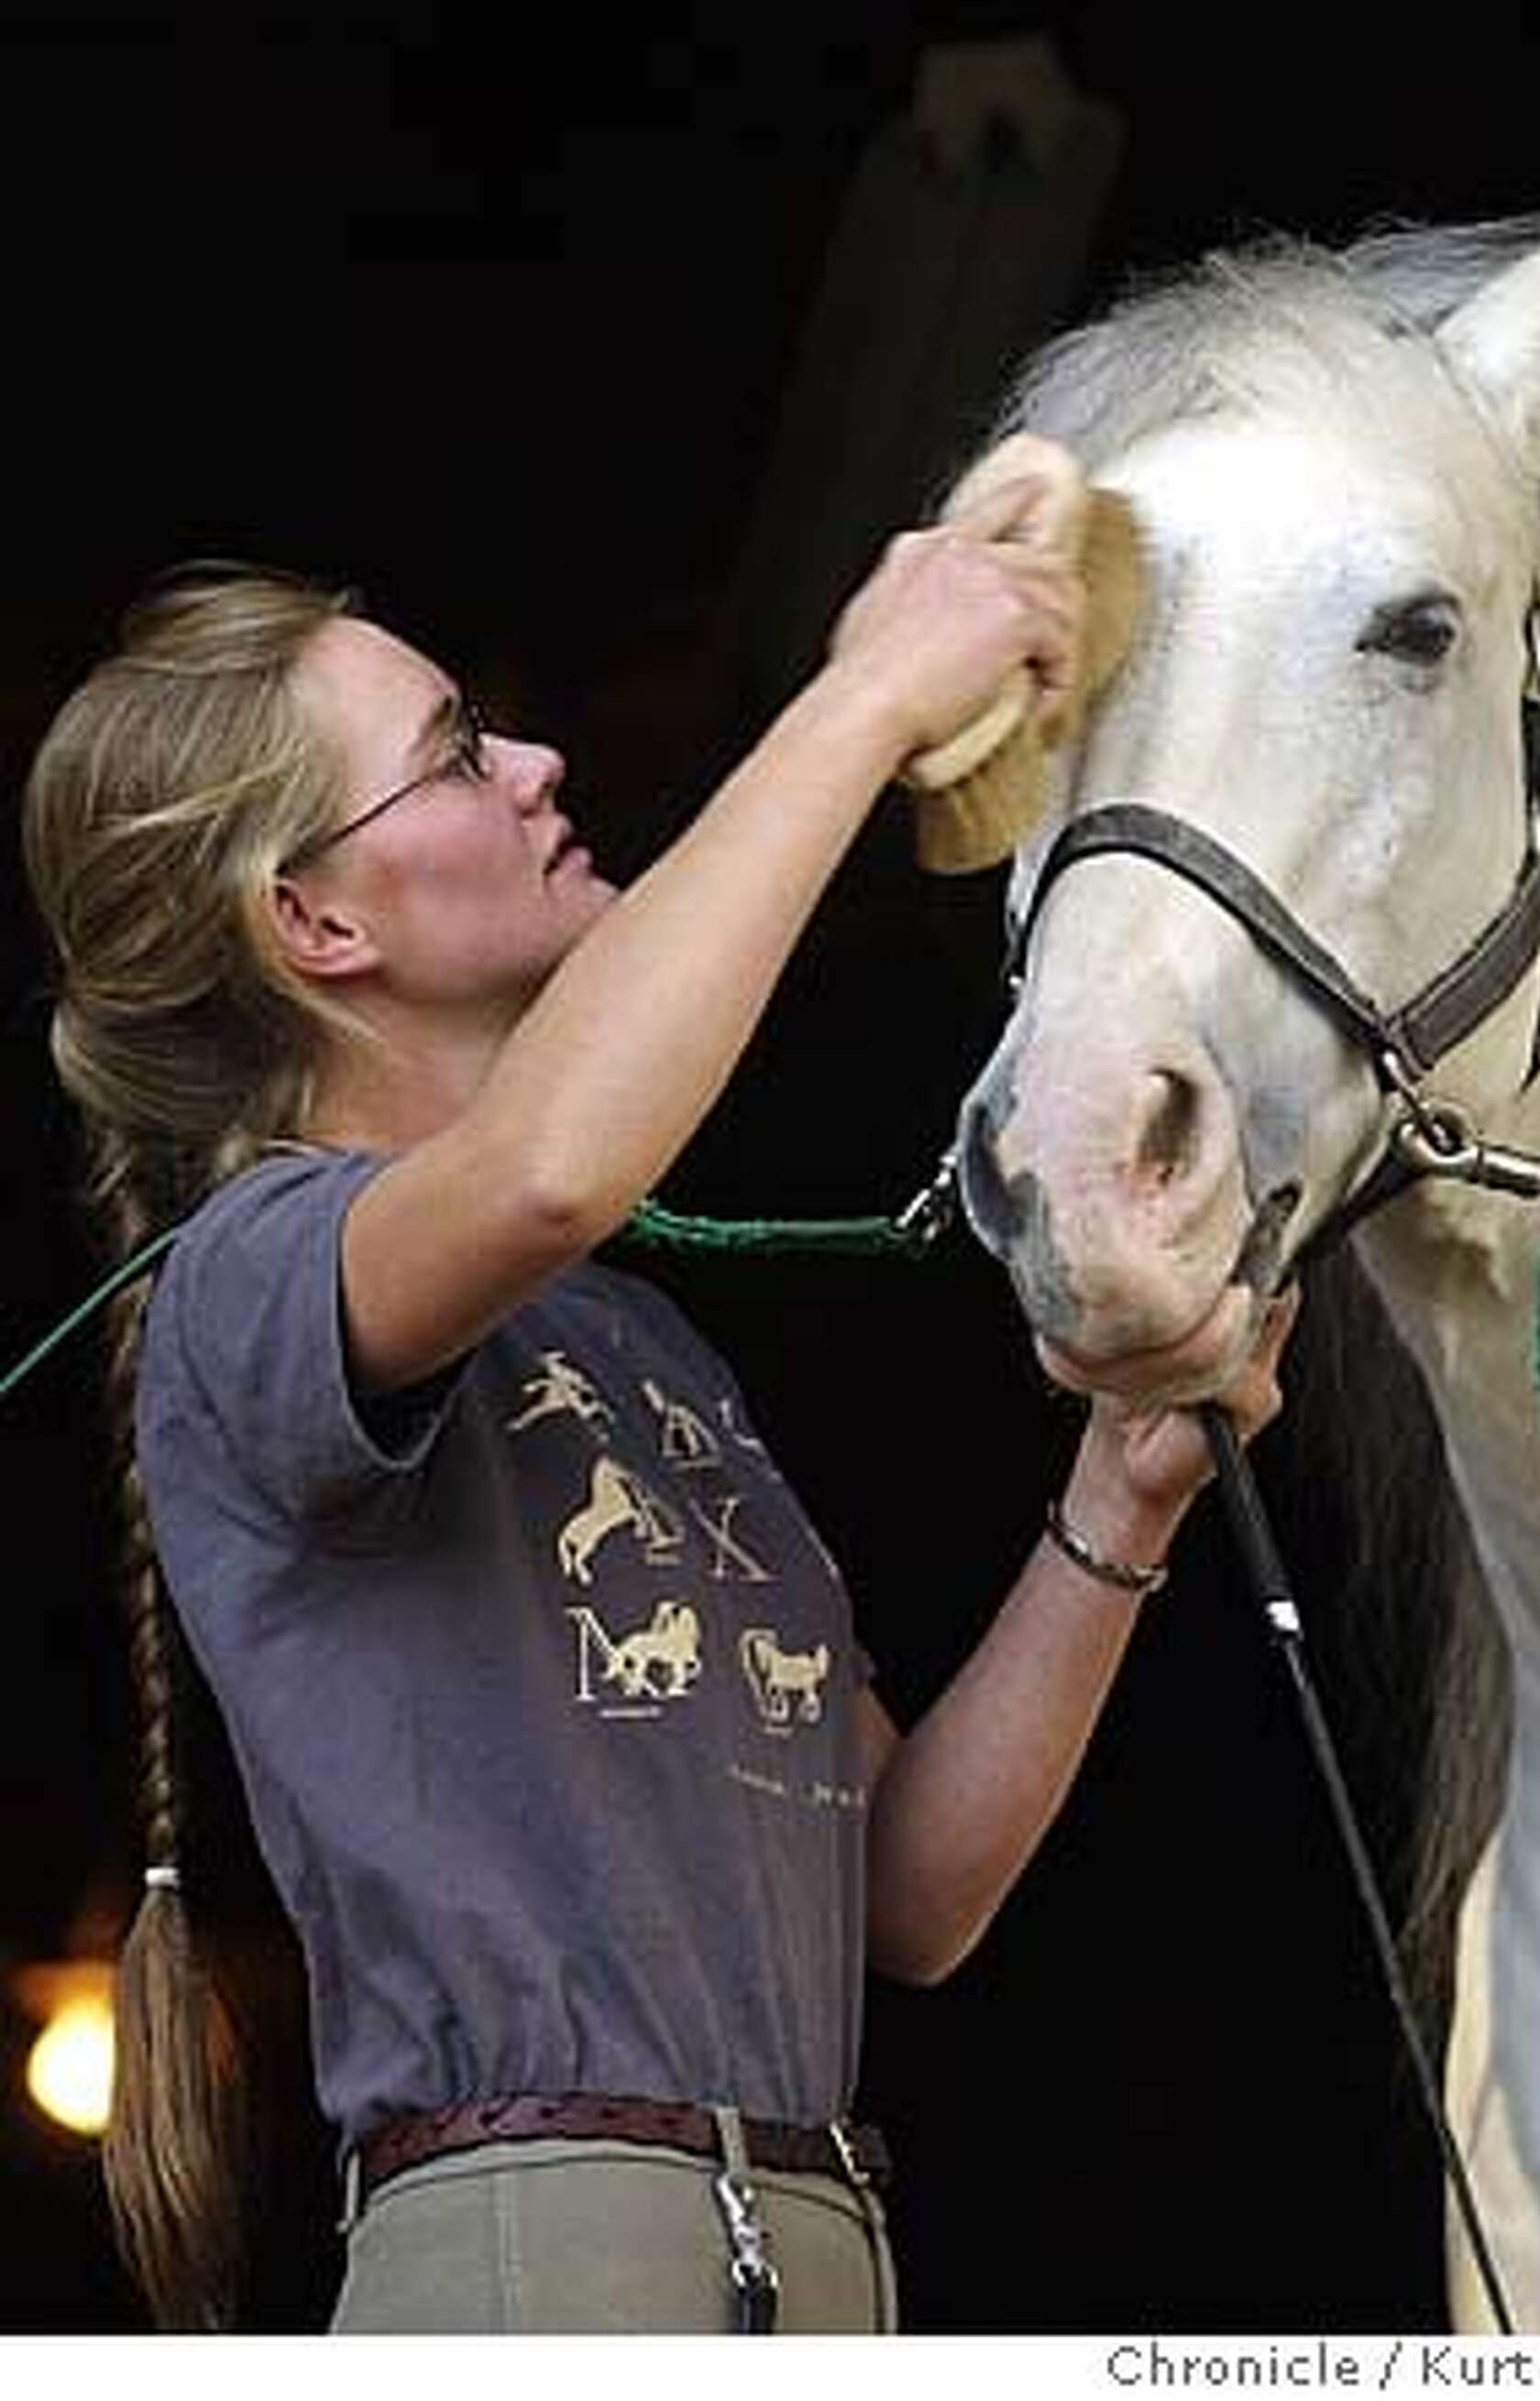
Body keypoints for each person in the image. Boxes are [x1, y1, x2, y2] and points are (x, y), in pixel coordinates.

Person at [21, 490, 1293, 2336]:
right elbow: (547, 1163)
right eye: (456, 752)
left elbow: (915, 1888)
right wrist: (861, 704)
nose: (537, 763)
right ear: (310, 920)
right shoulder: (246, 1278)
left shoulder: (627, 1337)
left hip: (816, 2243)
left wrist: (1127, 1490)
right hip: (537, 2259)